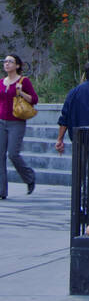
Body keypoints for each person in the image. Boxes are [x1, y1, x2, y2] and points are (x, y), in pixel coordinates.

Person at [0, 54, 38, 198]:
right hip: (1, 121)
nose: (7, 64)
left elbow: (34, 99)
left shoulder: (24, 81)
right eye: (5, 61)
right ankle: (1, 191)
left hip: (16, 122)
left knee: (13, 154)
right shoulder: (1, 82)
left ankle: (29, 177)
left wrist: (20, 92)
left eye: (10, 61)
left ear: (17, 66)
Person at [56, 60, 89, 154]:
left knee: (82, 167)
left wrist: (60, 139)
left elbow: (64, 118)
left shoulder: (74, 92)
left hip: (80, 140)